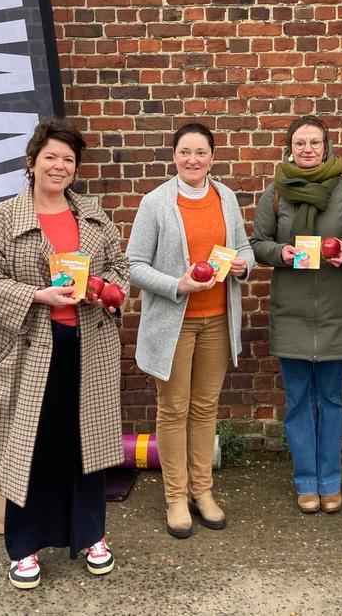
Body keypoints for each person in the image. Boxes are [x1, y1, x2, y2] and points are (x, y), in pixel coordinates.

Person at [0, 118, 127, 590]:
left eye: (68, 160)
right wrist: (37, 296)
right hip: (27, 352)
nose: (60, 166)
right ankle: (25, 547)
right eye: (51, 157)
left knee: (86, 443)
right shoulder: (2, 219)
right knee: (31, 447)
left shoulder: (93, 217)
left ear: (76, 169)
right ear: (31, 162)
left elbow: (120, 267)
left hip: (87, 348)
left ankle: (92, 534)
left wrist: (109, 290)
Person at [127, 123, 255, 539]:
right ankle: (176, 497)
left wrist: (243, 265)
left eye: (201, 152)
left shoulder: (227, 197)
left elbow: (245, 248)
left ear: (212, 157)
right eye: (185, 152)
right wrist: (177, 284)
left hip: (217, 319)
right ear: (174, 156)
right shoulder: (155, 203)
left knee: (205, 409)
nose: (193, 160)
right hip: (174, 324)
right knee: (173, 409)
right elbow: (134, 265)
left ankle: (203, 491)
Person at [250, 116, 342, 514]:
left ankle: (331, 480)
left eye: (315, 143)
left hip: (335, 310)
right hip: (291, 309)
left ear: (327, 147)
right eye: (300, 143)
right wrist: (280, 253)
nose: (307, 149)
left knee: (332, 400)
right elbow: (257, 243)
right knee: (298, 401)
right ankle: (306, 481)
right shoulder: (275, 192)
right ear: (289, 148)